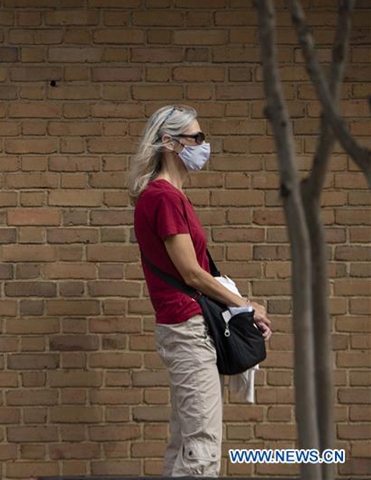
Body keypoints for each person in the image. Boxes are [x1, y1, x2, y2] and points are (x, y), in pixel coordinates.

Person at [129, 105, 272, 477]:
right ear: (169, 143)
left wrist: (240, 311)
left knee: (185, 444)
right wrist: (247, 306)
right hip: (188, 329)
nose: (202, 146)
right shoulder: (163, 197)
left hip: (187, 326)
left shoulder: (170, 196)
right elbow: (191, 273)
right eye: (196, 138)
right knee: (203, 448)